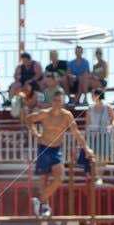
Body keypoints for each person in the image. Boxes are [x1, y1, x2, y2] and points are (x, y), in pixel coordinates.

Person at [25, 90, 88, 218]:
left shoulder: (67, 116)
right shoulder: (45, 114)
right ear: (52, 102)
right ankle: (44, 206)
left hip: (56, 149)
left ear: (63, 102)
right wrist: (34, 132)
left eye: (59, 100)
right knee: (44, 180)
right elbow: (28, 119)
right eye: (55, 100)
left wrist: (87, 149)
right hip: (43, 148)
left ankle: (40, 200)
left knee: (59, 177)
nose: (57, 103)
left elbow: (76, 133)